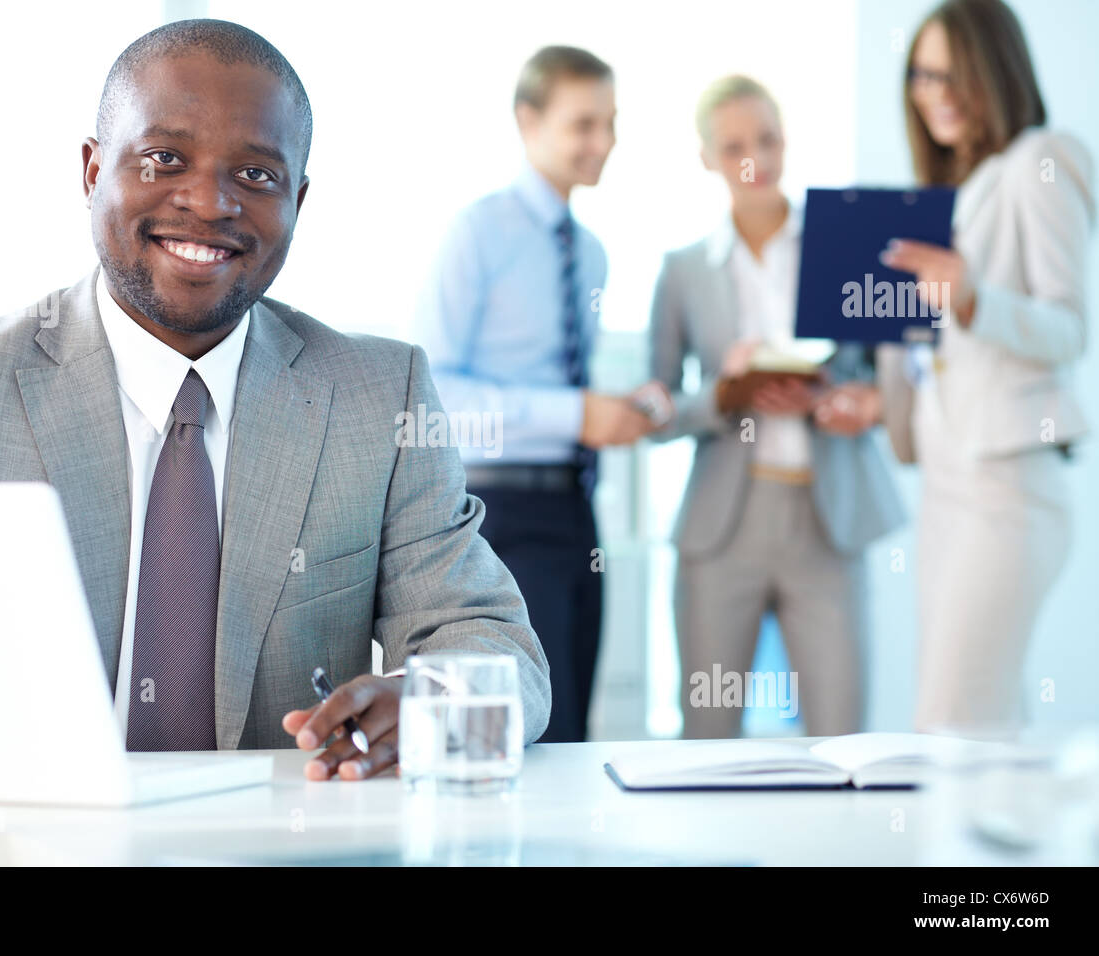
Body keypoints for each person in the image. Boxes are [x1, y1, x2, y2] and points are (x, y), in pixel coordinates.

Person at [0, 18, 551, 780]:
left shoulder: (379, 396)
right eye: (165, 158)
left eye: (256, 176)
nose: (209, 203)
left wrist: (428, 701)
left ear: (298, 200)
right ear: (91, 171)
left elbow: (493, 647)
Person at [416, 46, 664, 743]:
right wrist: (577, 416)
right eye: (584, 124)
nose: (603, 143)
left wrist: (616, 408)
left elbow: (560, 381)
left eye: (611, 123)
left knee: (576, 720)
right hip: (501, 518)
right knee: (528, 730)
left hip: (575, 512)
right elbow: (436, 399)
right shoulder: (478, 233)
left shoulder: (591, 253)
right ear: (528, 122)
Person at [649, 75, 905, 738]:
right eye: (732, 145)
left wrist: (834, 397)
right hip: (723, 528)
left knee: (845, 737)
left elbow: (884, 379)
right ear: (705, 157)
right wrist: (724, 394)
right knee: (706, 735)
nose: (752, 158)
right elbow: (659, 410)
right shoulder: (683, 270)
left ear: (786, 141)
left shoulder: (846, 243)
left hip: (829, 518)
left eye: (766, 139)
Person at [874, 0, 1093, 738]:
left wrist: (971, 299)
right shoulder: (952, 194)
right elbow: (949, 365)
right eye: (921, 74)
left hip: (1010, 491)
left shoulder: (1039, 158)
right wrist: (878, 400)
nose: (933, 90)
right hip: (947, 487)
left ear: (991, 70)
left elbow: (1069, 327)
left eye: (950, 72)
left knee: (954, 720)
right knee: (981, 720)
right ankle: (1005, 851)